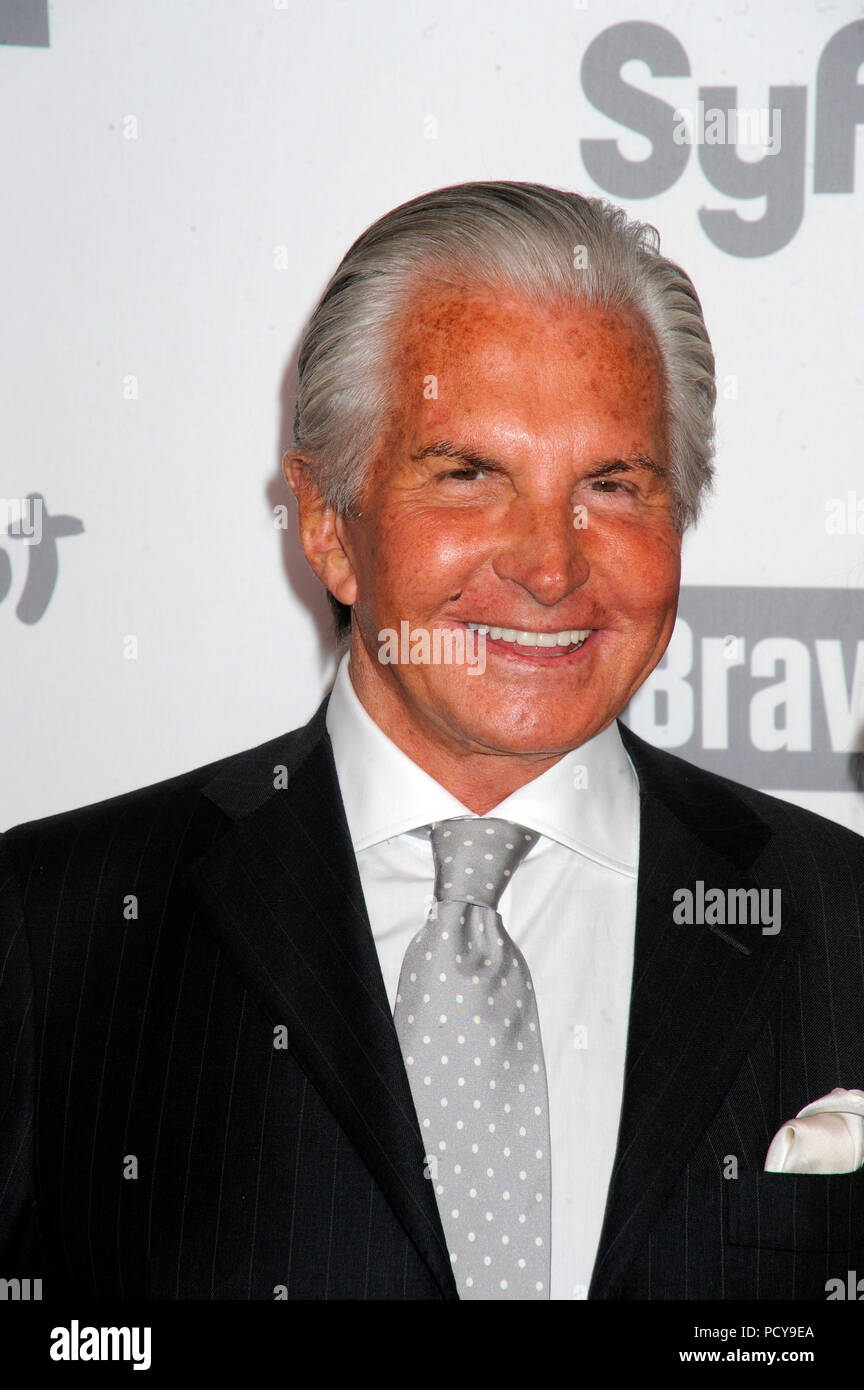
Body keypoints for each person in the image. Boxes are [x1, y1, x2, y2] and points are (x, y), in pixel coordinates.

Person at [2, 182, 862, 1301]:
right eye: (469, 476)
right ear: (327, 523)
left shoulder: (842, 918)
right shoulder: (55, 927)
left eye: (613, 483)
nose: (550, 566)